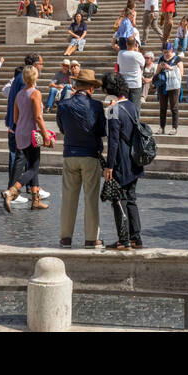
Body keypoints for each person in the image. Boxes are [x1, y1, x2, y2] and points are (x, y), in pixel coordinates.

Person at [56, 66, 107, 249]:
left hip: (70, 154)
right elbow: (102, 131)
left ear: (77, 86)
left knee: (68, 198)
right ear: (91, 88)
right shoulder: (96, 106)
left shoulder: (63, 105)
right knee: (90, 197)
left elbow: (62, 128)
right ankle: (91, 238)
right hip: (90, 155)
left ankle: (65, 237)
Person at [1, 64, 51, 212]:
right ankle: (12, 191)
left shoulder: (19, 94)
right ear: (35, 77)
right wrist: (46, 135)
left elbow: (16, 118)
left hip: (20, 132)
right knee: (34, 167)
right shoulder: (35, 93)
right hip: (31, 133)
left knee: (31, 164)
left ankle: (36, 200)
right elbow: (38, 117)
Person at [103, 71, 144, 250]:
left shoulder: (114, 110)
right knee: (131, 198)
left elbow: (113, 141)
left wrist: (109, 165)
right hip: (134, 158)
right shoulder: (131, 106)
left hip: (120, 160)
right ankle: (136, 237)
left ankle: (123, 239)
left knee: (118, 199)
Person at [116, 37, 146, 109]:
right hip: (135, 84)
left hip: (124, 83)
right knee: (135, 108)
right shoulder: (137, 55)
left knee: (124, 107)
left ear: (126, 44)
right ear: (135, 44)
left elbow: (118, 63)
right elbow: (143, 63)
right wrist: (137, 50)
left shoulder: (120, 53)